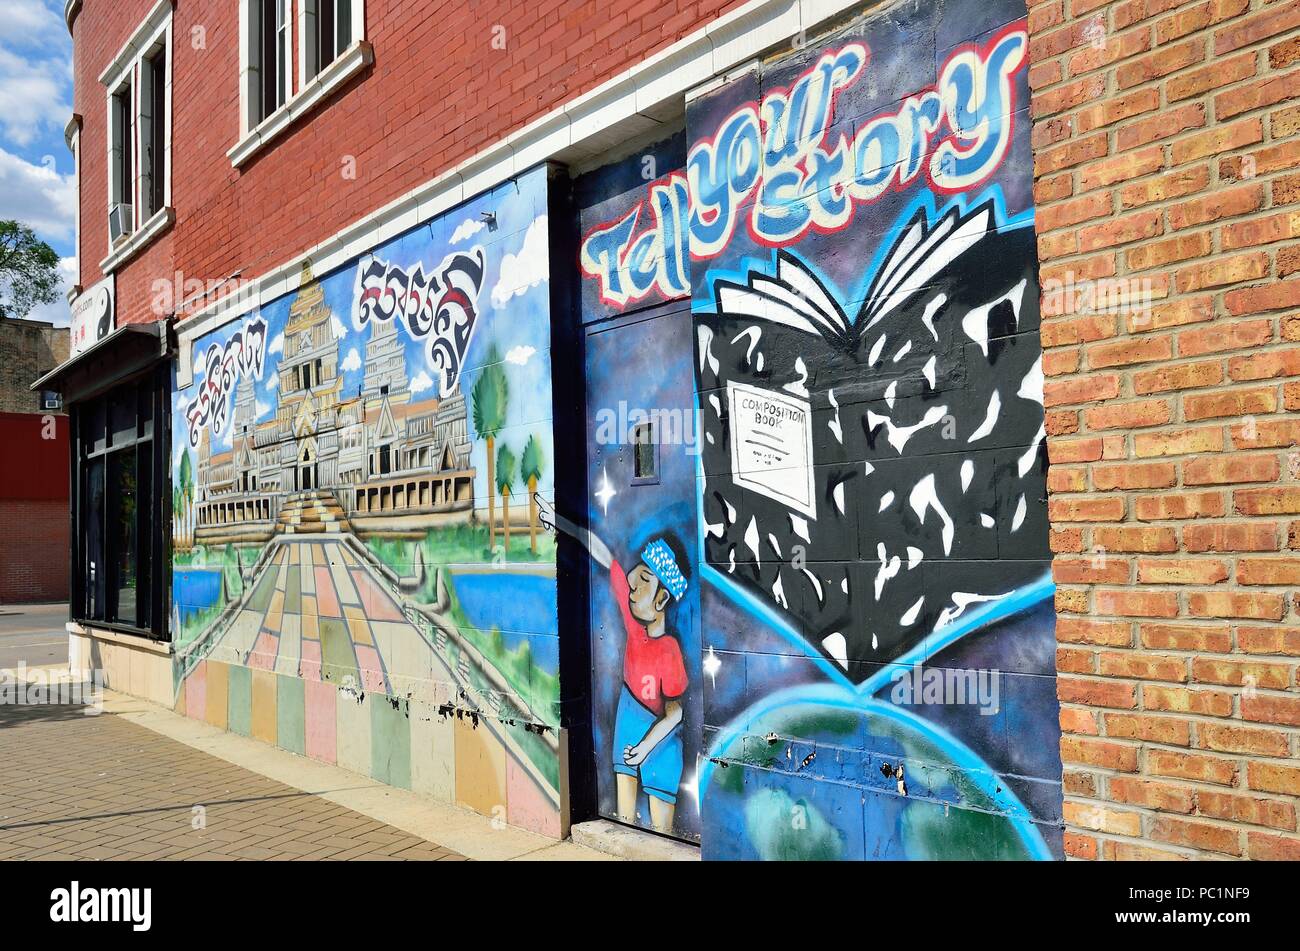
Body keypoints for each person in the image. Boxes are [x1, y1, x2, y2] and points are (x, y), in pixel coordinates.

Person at [536, 495, 688, 833]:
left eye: (644, 580)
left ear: (662, 599)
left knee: (662, 827)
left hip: (661, 738)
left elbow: (675, 713)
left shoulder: (670, 651)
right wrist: (561, 523)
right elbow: (604, 554)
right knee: (624, 817)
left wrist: (646, 747)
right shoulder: (634, 627)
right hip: (630, 716)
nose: (632, 582)